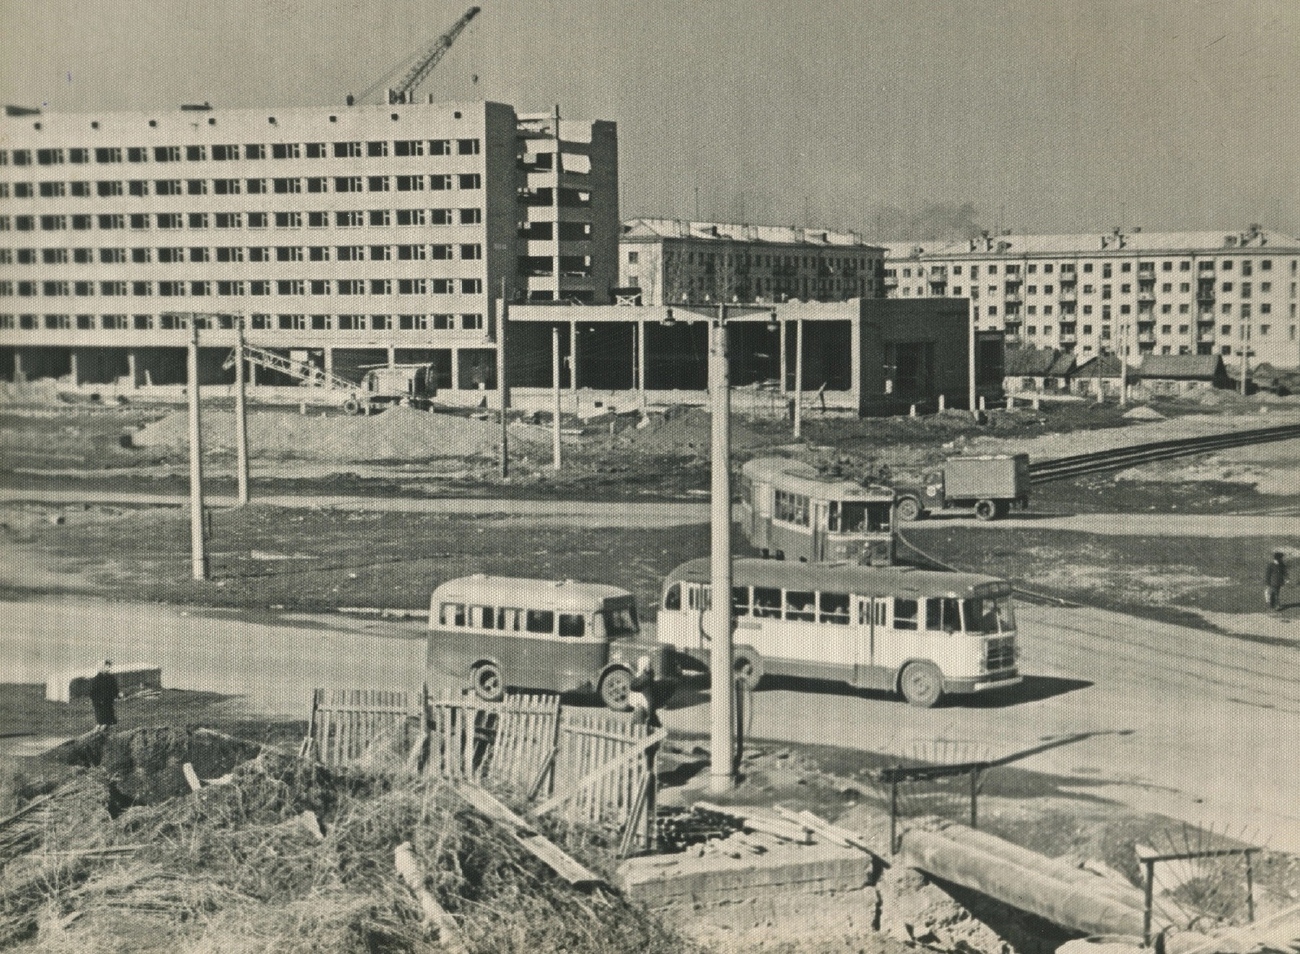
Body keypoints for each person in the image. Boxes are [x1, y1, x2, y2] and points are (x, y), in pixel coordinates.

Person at [87, 660, 120, 731]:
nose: (109, 669)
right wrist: (98, 701)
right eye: (107, 667)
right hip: (100, 705)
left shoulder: (111, 678)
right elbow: (92, 693)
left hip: (108, 704)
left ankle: (105, 737)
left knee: (108, 724)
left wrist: (118, 695)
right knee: (101, 724)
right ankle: (97, 736)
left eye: (109, 667)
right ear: (102, 667)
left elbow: (115, 689)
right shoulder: (96, 679)